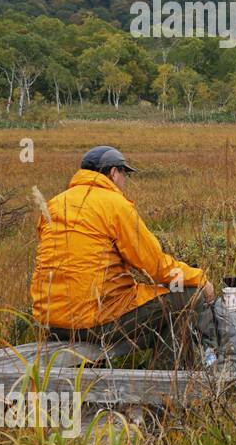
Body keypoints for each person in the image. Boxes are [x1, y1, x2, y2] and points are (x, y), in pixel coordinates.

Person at [30, 146, 216, 363]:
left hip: (50, 323)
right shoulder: (115, 204)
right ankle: (166, 382)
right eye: (124, 173)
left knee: (166, 308)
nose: (125, 180)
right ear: (113, 173)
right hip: (95, 321)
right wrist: (198, 278)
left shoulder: (53, 205)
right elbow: (154, 266)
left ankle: (160, 378)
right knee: (187, 297)